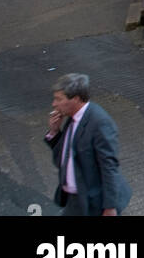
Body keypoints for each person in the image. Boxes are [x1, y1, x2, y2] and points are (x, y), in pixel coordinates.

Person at [44, 73, 131, 217]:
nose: (54, 104)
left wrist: (110, 207)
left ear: (76, 99)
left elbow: (109, 167)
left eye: (59, 99)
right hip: (75, 198)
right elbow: (64, 158)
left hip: (93, 202)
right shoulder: (73, 118)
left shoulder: (100, 123)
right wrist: (54, 132)